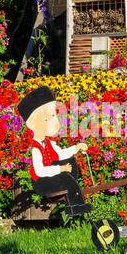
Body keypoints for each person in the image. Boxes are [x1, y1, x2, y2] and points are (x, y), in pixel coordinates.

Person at [17, 86, 91, 217]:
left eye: (54, 115)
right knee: (66, 177)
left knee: (70, 161)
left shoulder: (49, 144)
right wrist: (60, 169)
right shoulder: (36, 148)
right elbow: (40, 171)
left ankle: (74, 202)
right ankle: (75, 207)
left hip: (52, 177)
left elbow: (61, 154)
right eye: (48, 118)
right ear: (33, 124)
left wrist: (76, 148)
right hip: (42, 182)